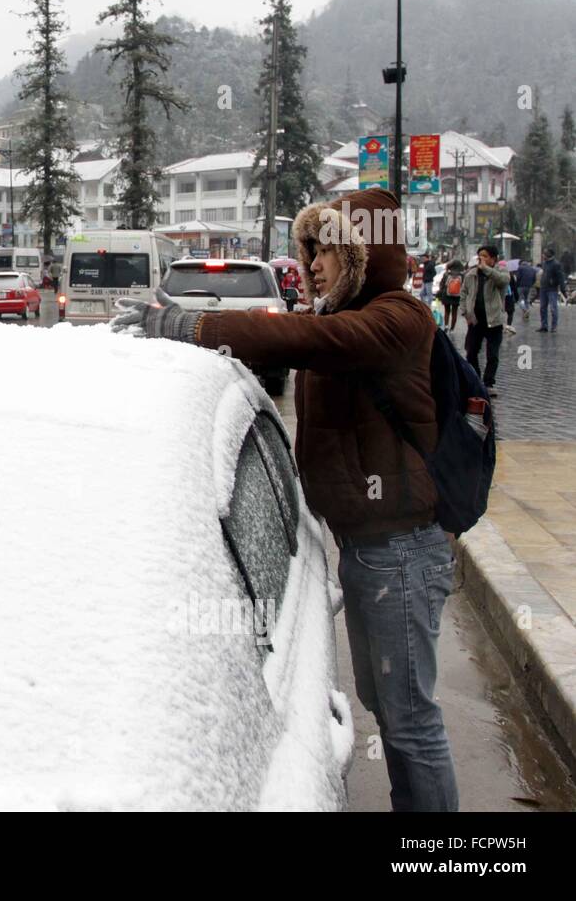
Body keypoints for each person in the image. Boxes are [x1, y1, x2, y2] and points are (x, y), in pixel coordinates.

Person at [114, 188, 458, 811]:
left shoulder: (398, 317)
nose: (313, 265)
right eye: (310, 252)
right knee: (387, 708)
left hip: (402, 551)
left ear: (363, 256)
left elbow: (306, 339)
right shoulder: (340, 316)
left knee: (410, 722)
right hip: (367, 547)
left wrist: (189, 325)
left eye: (327, 252)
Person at [461, 246, 508, 396]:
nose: (481, 258)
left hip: (494, 320)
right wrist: (466, 313)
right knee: (471, 352)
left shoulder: (500, 272)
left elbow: (503, 281)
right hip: (476, 321)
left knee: (492, 354)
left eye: (485, 256)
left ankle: (489, 383)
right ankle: (476, 381)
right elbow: (464, 294)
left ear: (493, 259)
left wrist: (486, 269)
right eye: (480, 255)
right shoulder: (471, 274)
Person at [538, 247, 567, 332]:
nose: (543, 255)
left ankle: (554, 326)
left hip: (552, 289)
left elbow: (561, 277)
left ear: (549, 254)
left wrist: (563, 289)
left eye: (544, 253)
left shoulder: (556, 264)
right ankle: (544, 326)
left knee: (553, 308)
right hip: (543, 288)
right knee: (542, 308)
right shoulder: (544, 263)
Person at [440, 261, 464, 330]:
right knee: (454, 312)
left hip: (447, 295)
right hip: (457, 296)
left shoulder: (446, 274)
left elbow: (442, 284)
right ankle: (452, 328)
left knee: (447, 311)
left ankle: (446, 326)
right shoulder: (462, 275)